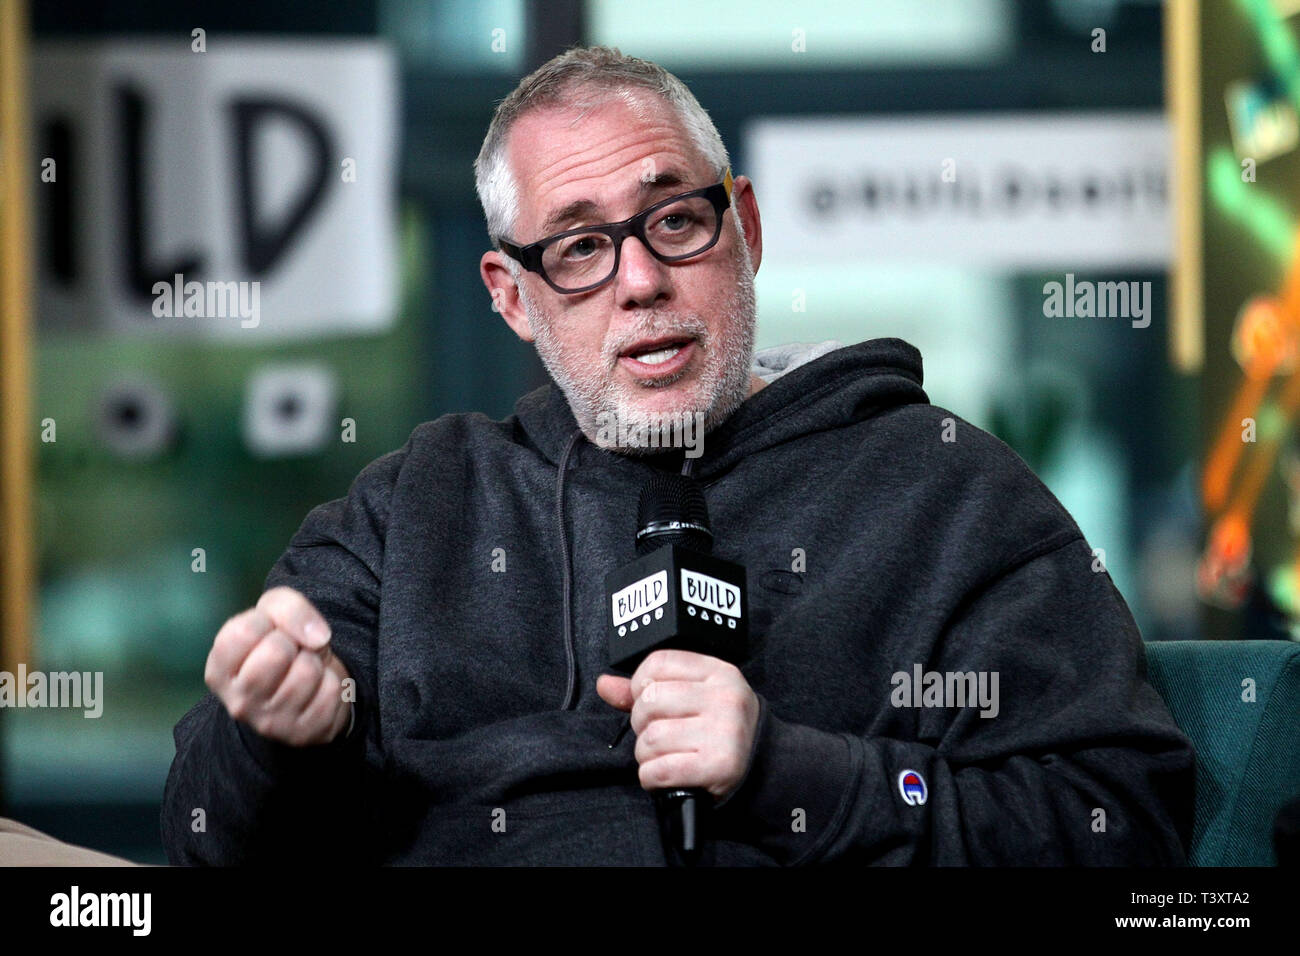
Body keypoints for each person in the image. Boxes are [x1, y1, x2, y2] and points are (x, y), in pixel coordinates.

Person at [161, 45, 1195, 866]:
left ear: (742, 226)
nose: (641, 278)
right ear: (510, 296)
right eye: (577, 246)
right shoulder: (408, 510)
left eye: (674, 219)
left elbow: (1116, 820)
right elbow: (201, 834)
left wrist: (791, 770)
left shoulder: (945, 490)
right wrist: (277, 740)